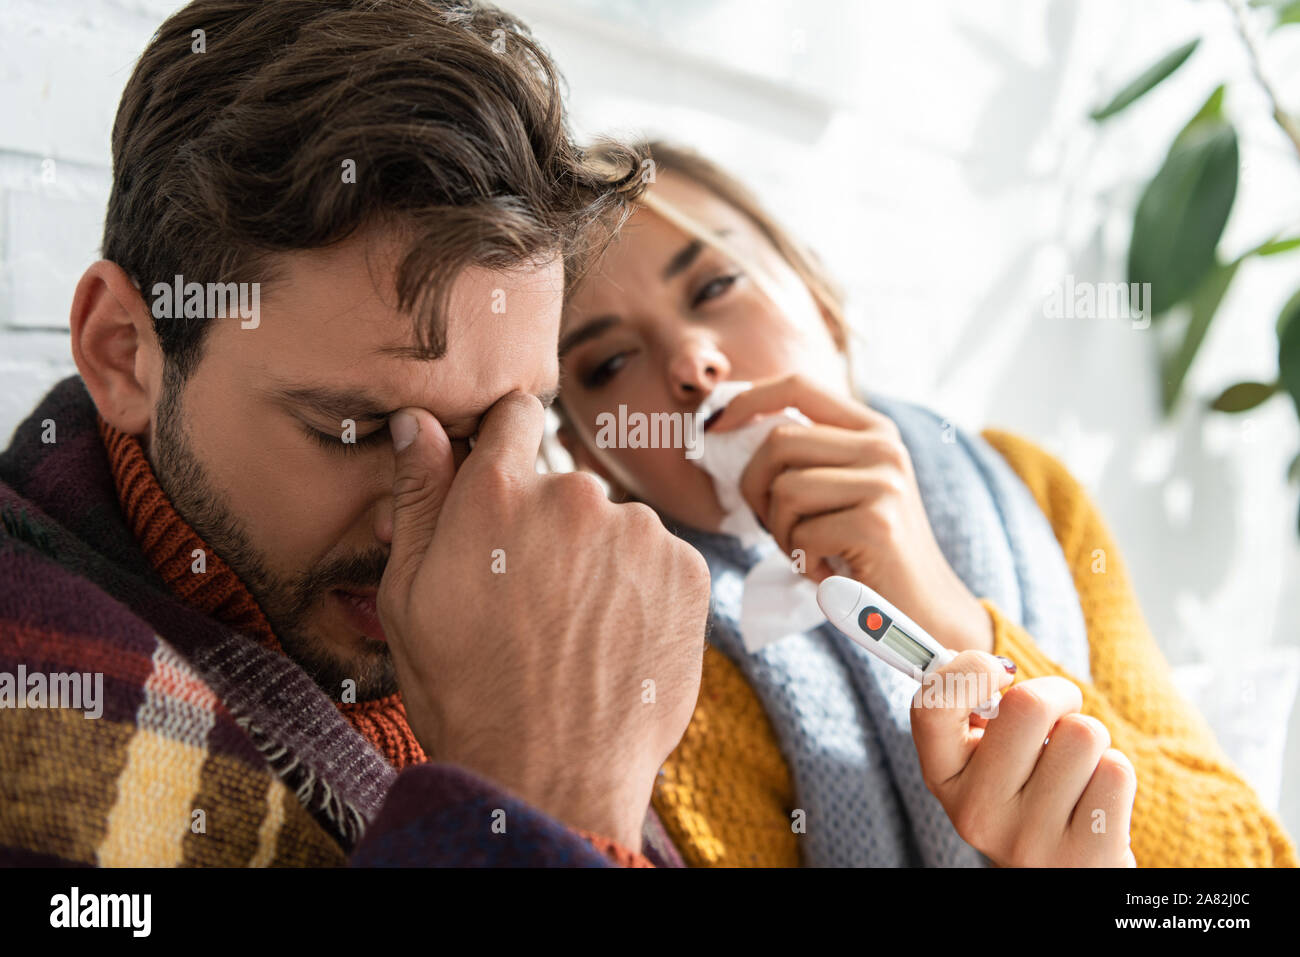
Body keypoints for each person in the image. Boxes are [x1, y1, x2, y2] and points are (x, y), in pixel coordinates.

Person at [0, 1, 712, 867]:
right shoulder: (40, 718)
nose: (437, 517)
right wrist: (547, 803)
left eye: (497, 429)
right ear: (123, 354)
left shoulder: (548, 621)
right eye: (357, 428)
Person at [554, 140, 1299, 867]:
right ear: (595, 456)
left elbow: (1249, 861)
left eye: (715, 287)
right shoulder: (644, 666)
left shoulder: (1029, 488)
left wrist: (947, 611)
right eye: (610, 362)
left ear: (819, 296)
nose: (691, 364)